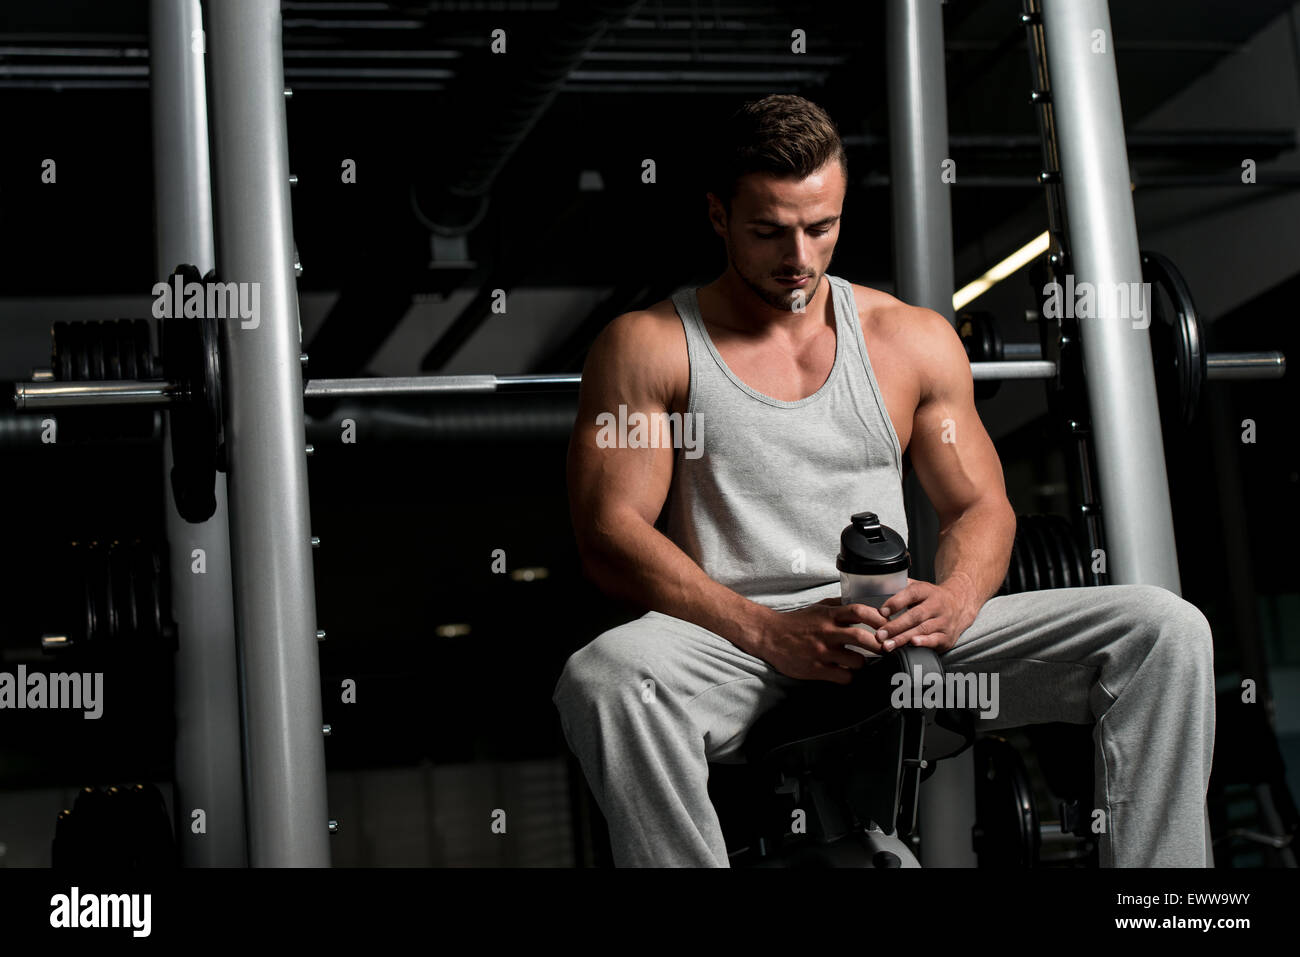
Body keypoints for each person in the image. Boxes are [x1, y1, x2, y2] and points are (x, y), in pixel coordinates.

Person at [552, 93, 1214, 867]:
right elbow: (610, 534)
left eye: (820, 227)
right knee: (606, 678)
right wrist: (769, 630)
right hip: (737, 647)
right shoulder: (648, 346)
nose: (798, 255)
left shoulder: (910, 340)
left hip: (897, 633)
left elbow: (978, 503)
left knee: (1163, 630)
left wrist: (957, 598)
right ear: (718, 215)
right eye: (768, 230)